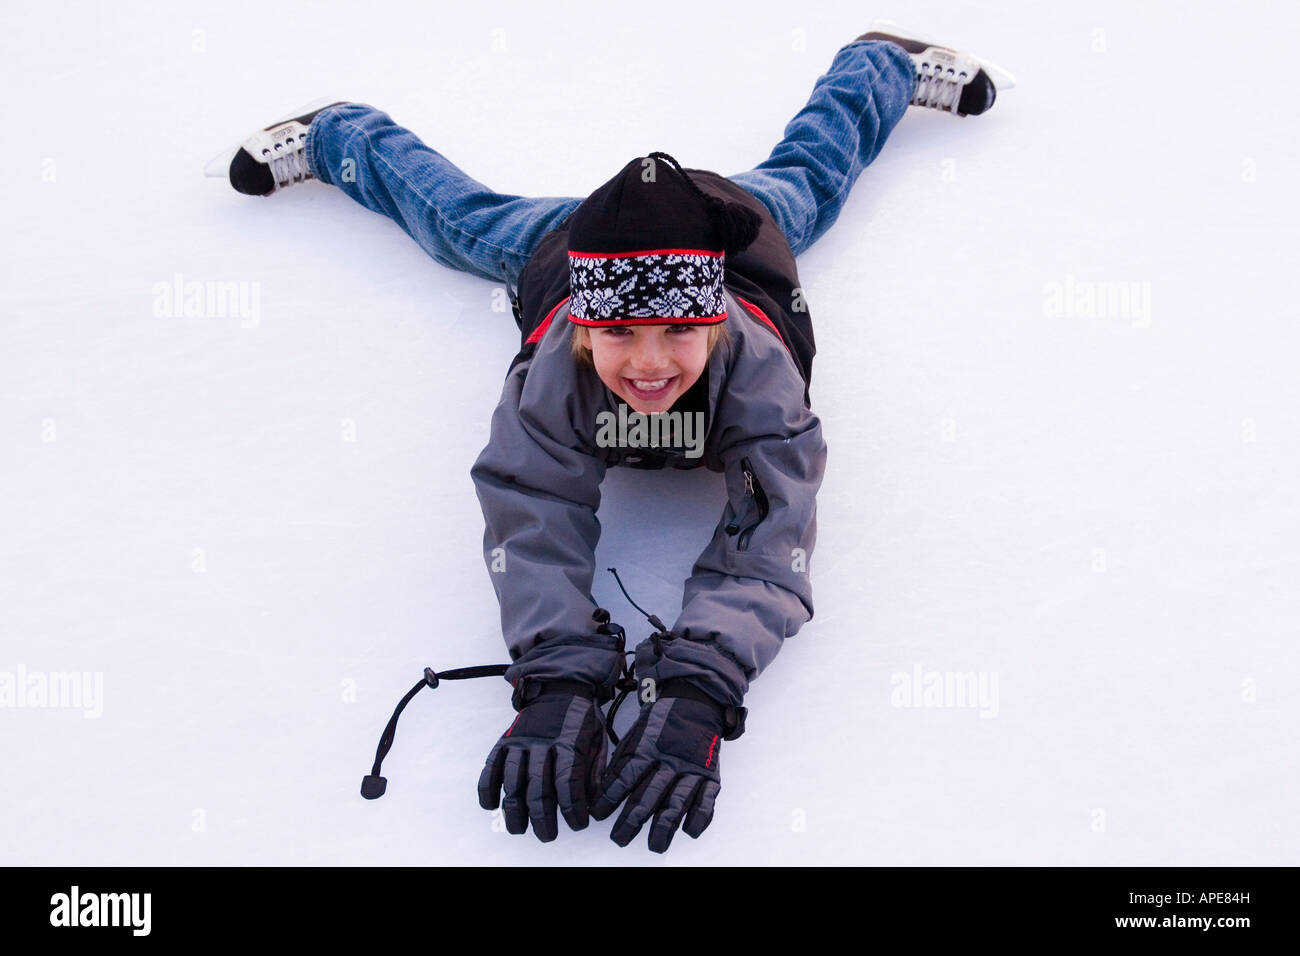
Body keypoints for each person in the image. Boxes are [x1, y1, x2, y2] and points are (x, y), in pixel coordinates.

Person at [215, 22, 1013, 853]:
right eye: (621, 333)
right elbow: (531, 504)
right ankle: (342, 130)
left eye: (678, 331)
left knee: (813, 173)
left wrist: (704, 681)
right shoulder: (555, 372)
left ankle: (880, 59)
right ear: (586, 333)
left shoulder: (760, 378)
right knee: (455, 219)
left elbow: (771, 538)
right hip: (568, 239)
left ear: (716, 327)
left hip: (735, 220)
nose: (650, 362)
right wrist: (556, 666)